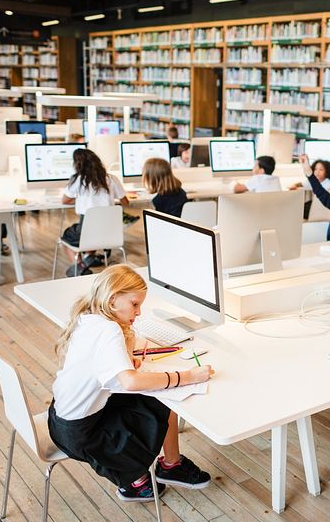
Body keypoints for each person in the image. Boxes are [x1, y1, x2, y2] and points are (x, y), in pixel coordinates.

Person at [48, 265, 214, 503]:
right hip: (86, 437)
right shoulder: (108, 330)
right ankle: (159, 470)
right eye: (135, 304)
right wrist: (188, 376)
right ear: (113, 299)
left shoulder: (88, 318)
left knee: (152, 393)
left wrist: (127, 350)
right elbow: (131, 381)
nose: (138, 312)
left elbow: (107, 371)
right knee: (161, 399)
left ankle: (145, 475)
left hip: (60, 423)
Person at [61, 148, 131, 277]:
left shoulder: (78, 179)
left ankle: (79, 267)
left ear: (77, 164)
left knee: (66, 239)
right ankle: (89, 257)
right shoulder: (111, 179)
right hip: (110, 232)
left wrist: (82, 200)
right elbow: (125, 201)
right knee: (92, 236)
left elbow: (65, 200)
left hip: (87, 229)